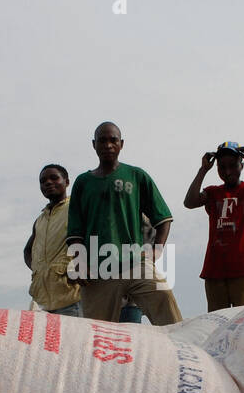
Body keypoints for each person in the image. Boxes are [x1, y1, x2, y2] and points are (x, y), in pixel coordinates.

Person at [66, 121, 183, 324]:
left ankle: (182, 353)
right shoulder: (83, 182)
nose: (108, 145)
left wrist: (157, 250)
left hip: (136, 262)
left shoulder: (136, 176)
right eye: (102, 140)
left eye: (113, 140)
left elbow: (163, 218)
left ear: (122, 144)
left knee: (167, 306)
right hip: (97, 268)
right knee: (97, 332)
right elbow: (75, 232)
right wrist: (79, 262)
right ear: (94, 144)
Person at [183, 141, 244, 311]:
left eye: (232, 165)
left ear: (241, 165)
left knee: (243, 322)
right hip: (215, 269)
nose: (227, 171)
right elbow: (190, 202)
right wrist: (203, 170)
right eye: (222, 167)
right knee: (215, 323)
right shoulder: (213, 192)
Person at [24, 164, 82, 316]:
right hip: (41, 302)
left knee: (74, 340)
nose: (48, 183)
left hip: (72, 299)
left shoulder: (76, 208)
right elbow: (27, 250)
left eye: (54, 178)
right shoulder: (40, 220)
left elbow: (95, 237)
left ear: (67, 182)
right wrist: (38, 269)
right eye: (43, 181)